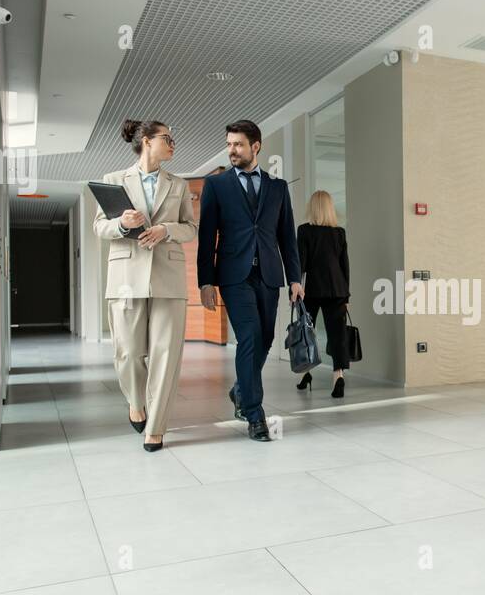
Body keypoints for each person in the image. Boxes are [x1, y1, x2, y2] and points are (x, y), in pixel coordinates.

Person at [93, 119, 197, 452]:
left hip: (168, 276)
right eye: (168, 138)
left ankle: (156, 426)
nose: (173, 143)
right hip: (125, 278)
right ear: (148, 141)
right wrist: (122, 224)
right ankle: (136, 402)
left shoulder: (179, 184)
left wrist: (167, 229)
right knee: (127, 353)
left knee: (166, 355)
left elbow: (190, 228)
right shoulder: (112, 181)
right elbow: (99, 227)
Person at [196, 120, 303, 442]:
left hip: (269, 274)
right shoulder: (216, 186)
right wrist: (206, 282)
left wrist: (295, 278)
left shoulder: (277, 187)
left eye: (238, 144)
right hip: (234, 275)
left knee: (266, 338)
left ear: (256, 146)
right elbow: (207, 237)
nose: (232, 150)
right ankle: (254, 415)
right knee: (250, 337)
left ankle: (240, 389)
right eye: (229, 144)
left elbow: (287, 236)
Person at [295, 190, 352, 398]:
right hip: (337, 290)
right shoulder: (339, 233)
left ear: (312, 207)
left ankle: (306, 372)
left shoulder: (304, 231)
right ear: (329, 208)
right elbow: (345, 267)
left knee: (305, 334)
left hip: (311, 290)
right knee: (338, 336)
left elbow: (300, 264)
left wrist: (295, 288)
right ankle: (338, 376)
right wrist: (346, 296)